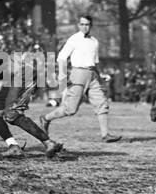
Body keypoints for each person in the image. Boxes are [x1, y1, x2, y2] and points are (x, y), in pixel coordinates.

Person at [42, 14, 121, 143]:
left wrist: (99, 77)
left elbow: (95, 63)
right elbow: (61, 57)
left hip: (92, 75)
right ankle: (45, 118)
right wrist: (62, 76)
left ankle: (105, 135)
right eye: (82, 24)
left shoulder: (94, 41)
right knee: (70, 109)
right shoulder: (74, 39)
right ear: (79, 25)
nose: (84, 27)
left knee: (102, 103)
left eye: (87, 24)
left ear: (91, 25)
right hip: (78, 74)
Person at [0, 53, 63, 158]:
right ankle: (14, 146)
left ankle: (47, 142)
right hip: (21, 73)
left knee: (11, 113)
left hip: (24, 73)